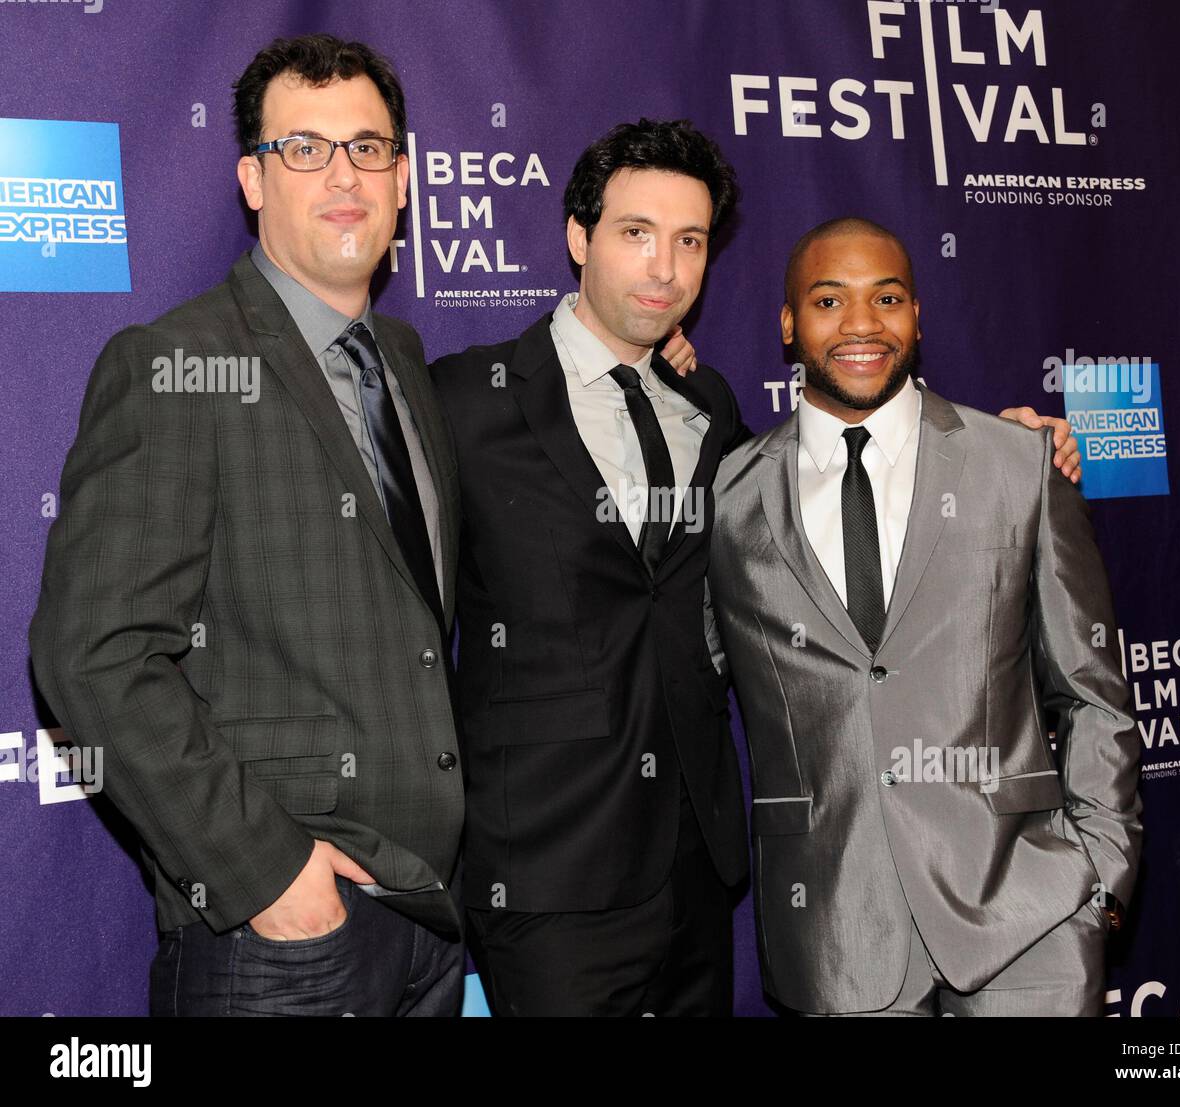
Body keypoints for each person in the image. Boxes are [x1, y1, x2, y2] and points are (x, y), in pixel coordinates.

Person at [431, 124, 1081, 1016]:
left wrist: (1010, 447)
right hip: (545, 879)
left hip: (702, 871)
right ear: (578, 238)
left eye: (689, 241)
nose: (664, 267)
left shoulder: (711, 406)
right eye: (635, 233)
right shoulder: (464, 399)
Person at [29, 34, 466, 1016]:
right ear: (251, 182)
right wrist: (270, 876)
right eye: (303, 150)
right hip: (278, 942)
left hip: (428, 921)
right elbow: (92, 653)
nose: (342, 175)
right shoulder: (175, 363)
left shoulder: (402, 361)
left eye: (367, 147)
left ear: (402, 175)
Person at [706, 217, 1143, 1016]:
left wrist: (1103, 877)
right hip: (836, 932)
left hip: (1028, 920)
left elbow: (1092, 690)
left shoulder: (1017, 463)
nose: (862, 324)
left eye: (889, 297)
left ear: (918, 314)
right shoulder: (731, 499)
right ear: (788, 324)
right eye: (829, 299)